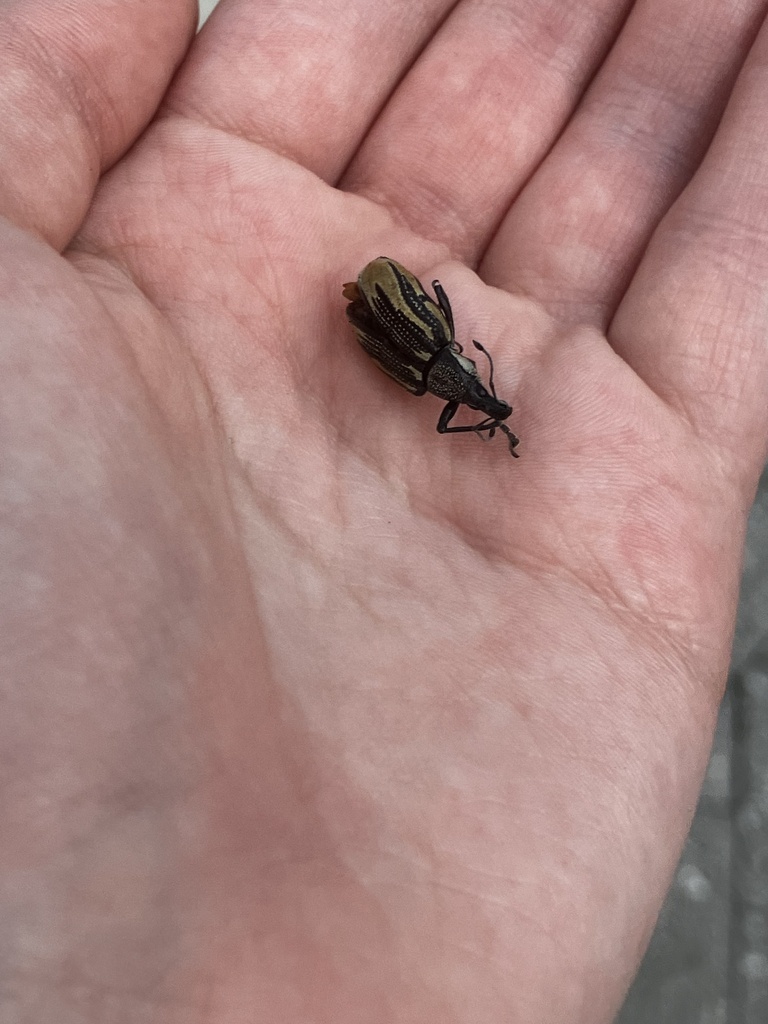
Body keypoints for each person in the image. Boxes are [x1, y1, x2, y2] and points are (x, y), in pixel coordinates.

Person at [1, 0, 765, 1020]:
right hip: (408, 337)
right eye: (484, 404)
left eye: (483, 404)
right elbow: (450, 370)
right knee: (425, 363)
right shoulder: (443, 379)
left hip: (414, 339)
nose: (484, 403)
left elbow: (458, 374)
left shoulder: (447, 382)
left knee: (427, 363)